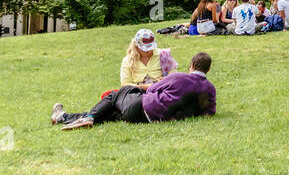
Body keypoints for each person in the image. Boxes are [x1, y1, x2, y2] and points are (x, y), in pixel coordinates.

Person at [52, 52, 217, 129]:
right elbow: (209, 112)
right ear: (207, 70)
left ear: (192, 65)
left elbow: (151, 89)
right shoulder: (210, 89)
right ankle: (63, 116)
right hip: (156, 119)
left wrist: (137, 89)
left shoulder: (179, 77)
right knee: (110, 113)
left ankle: (88, 117)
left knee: (116, 94)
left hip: (144, 110)